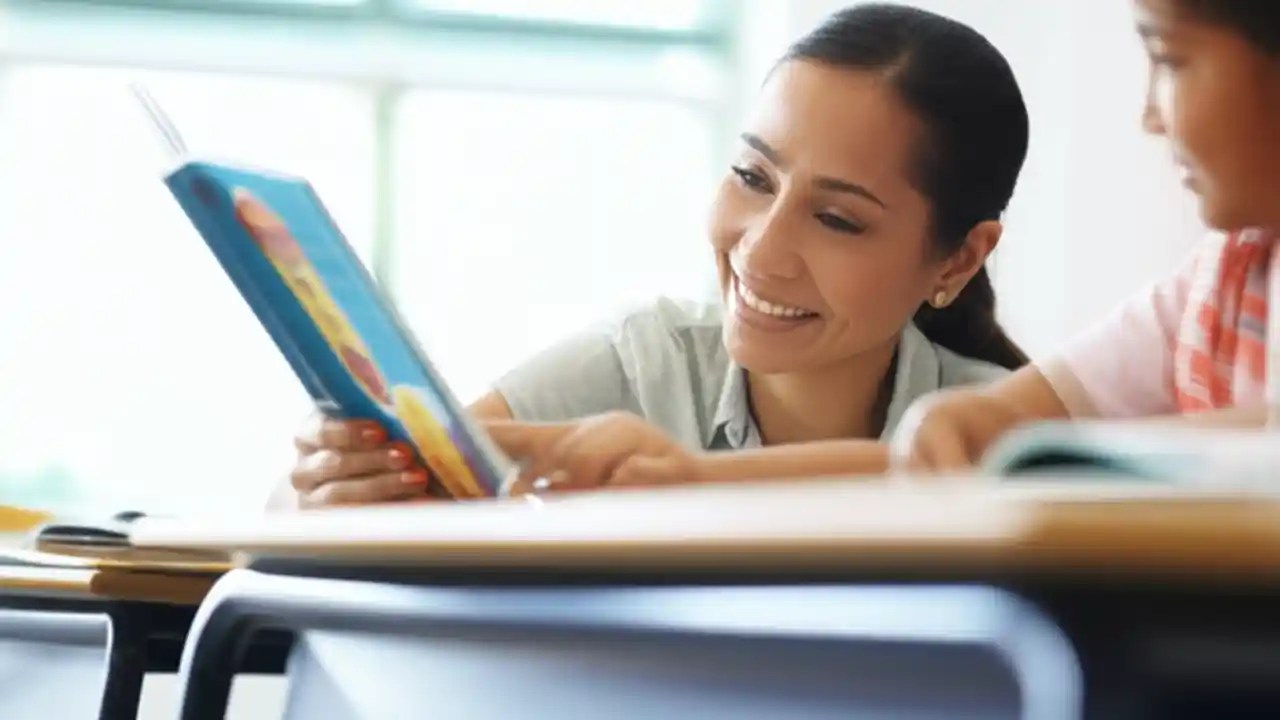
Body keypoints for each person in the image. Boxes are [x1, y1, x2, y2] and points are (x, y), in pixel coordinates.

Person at [273, 2, 1031, 508]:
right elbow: (300, 513)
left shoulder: (1006, 437)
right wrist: (340, 478)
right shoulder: (639, 363)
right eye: (751, 177)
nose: (762, 252)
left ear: (959, 260)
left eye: (837, 219)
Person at [890, 0, 1280, 471]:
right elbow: (1006, 418)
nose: (1151, 118)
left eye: (1168, 58)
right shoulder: (1221, 288)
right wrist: (963, 421)